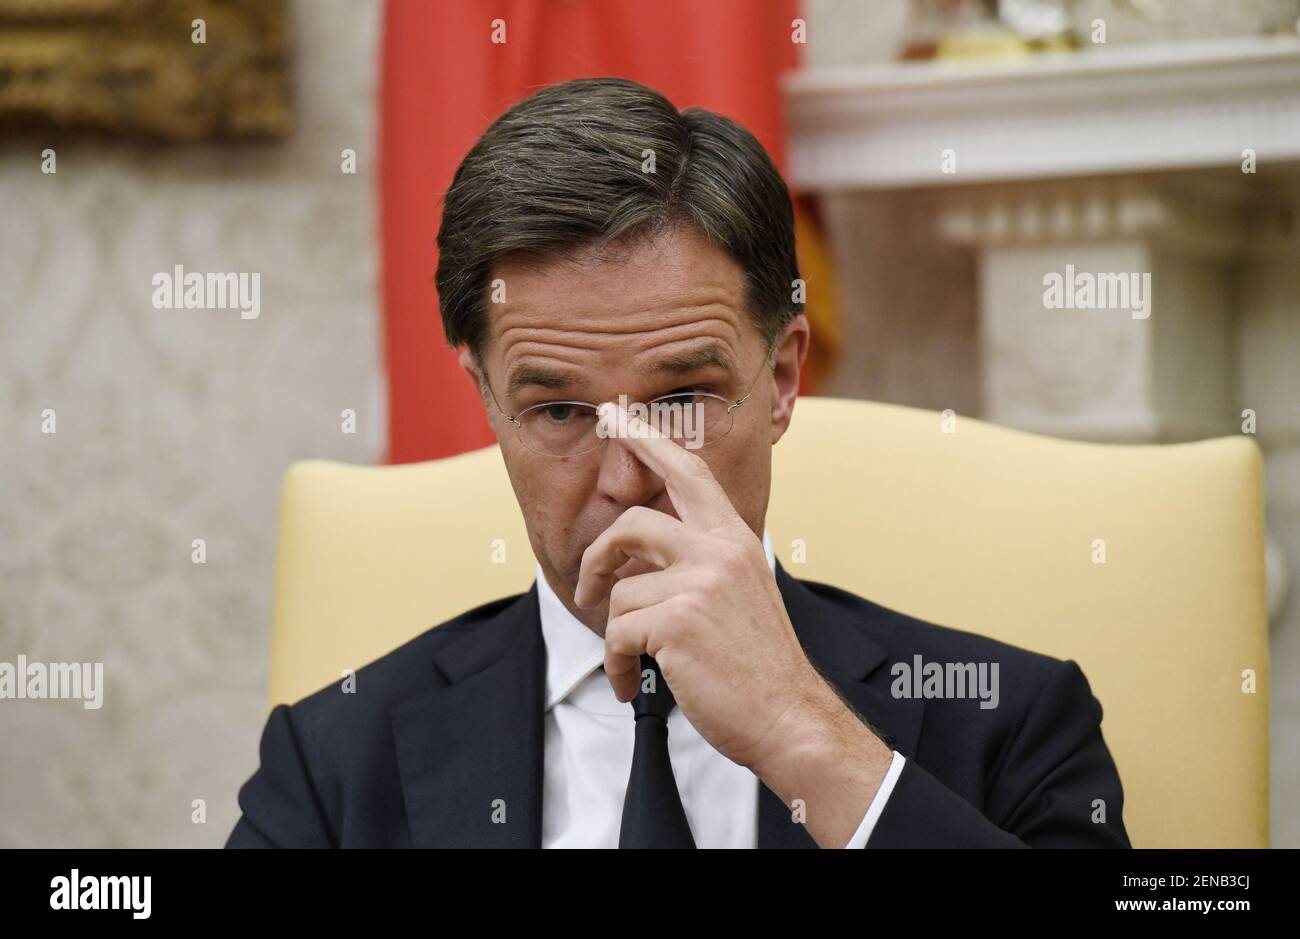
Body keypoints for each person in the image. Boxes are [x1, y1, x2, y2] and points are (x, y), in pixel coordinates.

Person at [226, 77, 1129, 849]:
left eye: (680, 401)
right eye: (561, 410)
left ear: (780, 378)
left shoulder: (1010, 719)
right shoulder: (333, 762)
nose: (627, 477)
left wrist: (798, 729)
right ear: (487, 400)